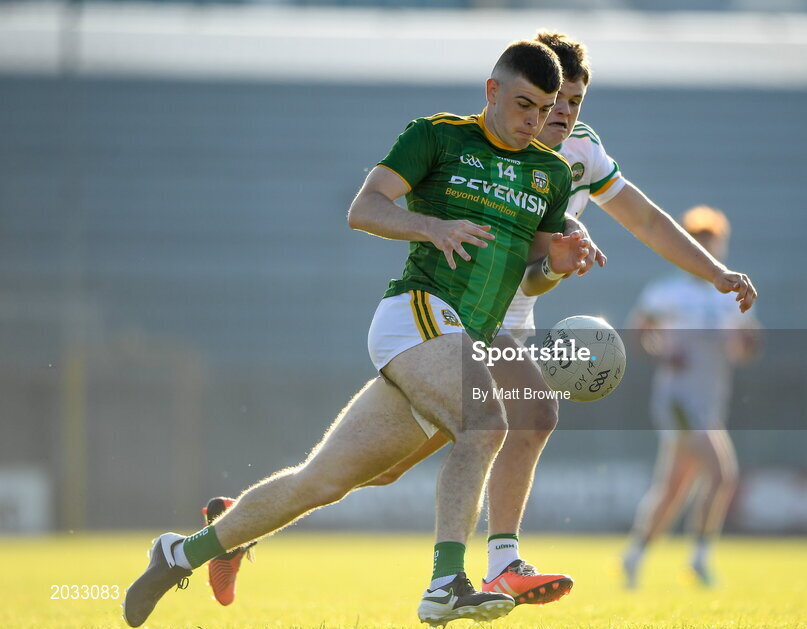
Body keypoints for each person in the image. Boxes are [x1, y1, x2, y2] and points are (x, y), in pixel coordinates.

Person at [196, 30, 758, 611]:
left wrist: (713, 272)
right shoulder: (487, 140)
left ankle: (493, 562)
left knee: (509, 425)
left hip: (508, 320)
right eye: (550, 100)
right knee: (430, 451)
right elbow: (391, 209)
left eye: (571, 103)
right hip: (452, 319)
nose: (558, 113)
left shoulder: (580, 153)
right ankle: (483, 565)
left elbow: (644, 218)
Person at [122, 39, 594, 628]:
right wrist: (432, 226)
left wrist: (556, 263)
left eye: (544, 109)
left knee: (321, 482)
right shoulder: (437, 136)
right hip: (418, 312)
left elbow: (531, 276)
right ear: (492, 90)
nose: (534, 119)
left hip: (460, 340)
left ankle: (179, 553)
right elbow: (364, 208)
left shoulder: (548, 175)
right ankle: (448, 583)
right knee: (486, 421)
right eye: (524, 103)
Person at [621, 206, 759, 588]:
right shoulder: (666, 292)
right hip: (678, 399)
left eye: (712, 243)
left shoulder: (729, 295)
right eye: (698, 243)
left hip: (711, 399)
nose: (706, 251)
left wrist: (749, 341)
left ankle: (633, 555)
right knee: (722, 472)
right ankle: (699, 558)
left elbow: (745, 350)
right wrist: (663, 353)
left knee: (673, 490)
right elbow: (639, 331)